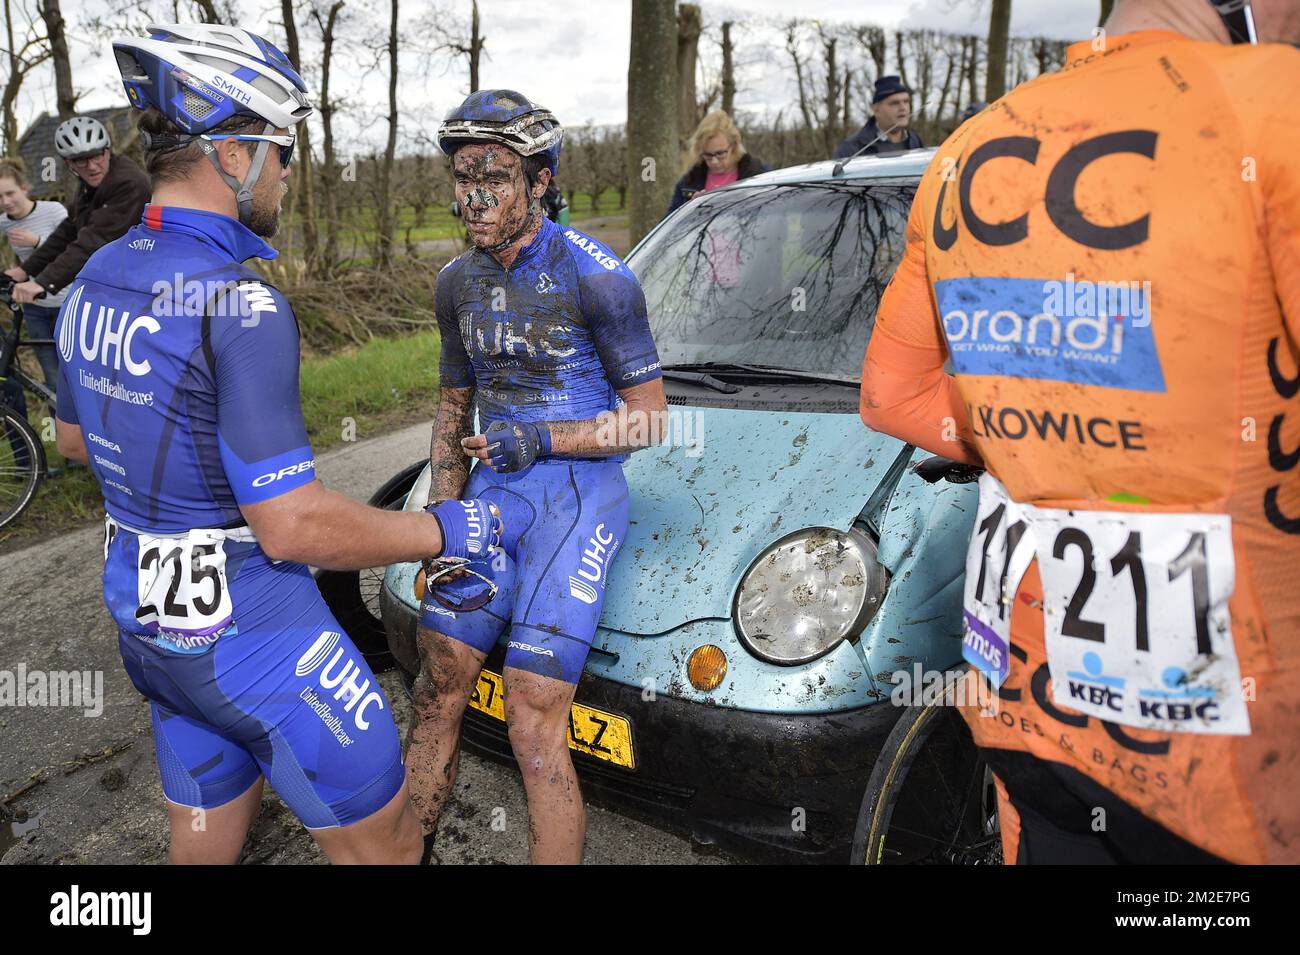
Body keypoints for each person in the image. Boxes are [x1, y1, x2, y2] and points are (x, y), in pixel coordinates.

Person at [859, 0, 1300, 864]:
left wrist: (1039, 436)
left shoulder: (971, 148)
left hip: (1028, 702)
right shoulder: (1276, 106)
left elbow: (891, 394)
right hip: (1233, 746)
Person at [55, 22, 501, 865]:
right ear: (232, 155)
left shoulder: (95, 274)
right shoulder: (243, 305)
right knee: (393, 850)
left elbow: (75, 440)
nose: (290, 173)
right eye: (281, 149)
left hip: (153, 638)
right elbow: (292, 526)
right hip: (261, 640)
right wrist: (448, 530)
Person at [409, 89, 666, 864]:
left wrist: (542, 436)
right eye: (461, 175)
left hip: (578, 496)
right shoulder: (456, 282)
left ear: (542, 180)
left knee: (530, 715)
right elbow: (454, 410)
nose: (473, 194)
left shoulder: (601, 277)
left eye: (494, 173)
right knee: (437, 684)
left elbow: (651, 420)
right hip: (494, 496)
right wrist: (436, 523)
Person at [4, 116, 148, 307]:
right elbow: (67, 232)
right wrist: (25, 270)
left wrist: (43, 283)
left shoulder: (127, 183)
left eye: (97, 155)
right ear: (69, 164)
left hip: (138, 286)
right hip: (113, 282)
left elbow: (94, 241)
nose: (92, 166)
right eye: (81, 161)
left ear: (108, 151)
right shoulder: (91, 184)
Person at [0, 157, 66, 398]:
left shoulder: (54, 211)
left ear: (25, 188)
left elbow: (74, 249)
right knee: (51, 378)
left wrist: (36, 242)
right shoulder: (4, 223)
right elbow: (20, 263)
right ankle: (58, 434)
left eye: (10, 193)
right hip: (34, 308)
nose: (6, 202)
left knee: (77, 374)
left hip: (65, 304)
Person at [666, 110, 767, 216]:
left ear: (733, 145)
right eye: (708, 155)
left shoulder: (758, 174)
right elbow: (669, 226)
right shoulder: (689, 182)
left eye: (720, 153)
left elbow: (774, 215)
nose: (714, 162)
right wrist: (691, 209)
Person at [832, 75, 925, 160]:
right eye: (894, 103)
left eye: (906, 101)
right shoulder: (851, 148)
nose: (903, 108)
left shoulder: (914, 140)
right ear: (876, 110)